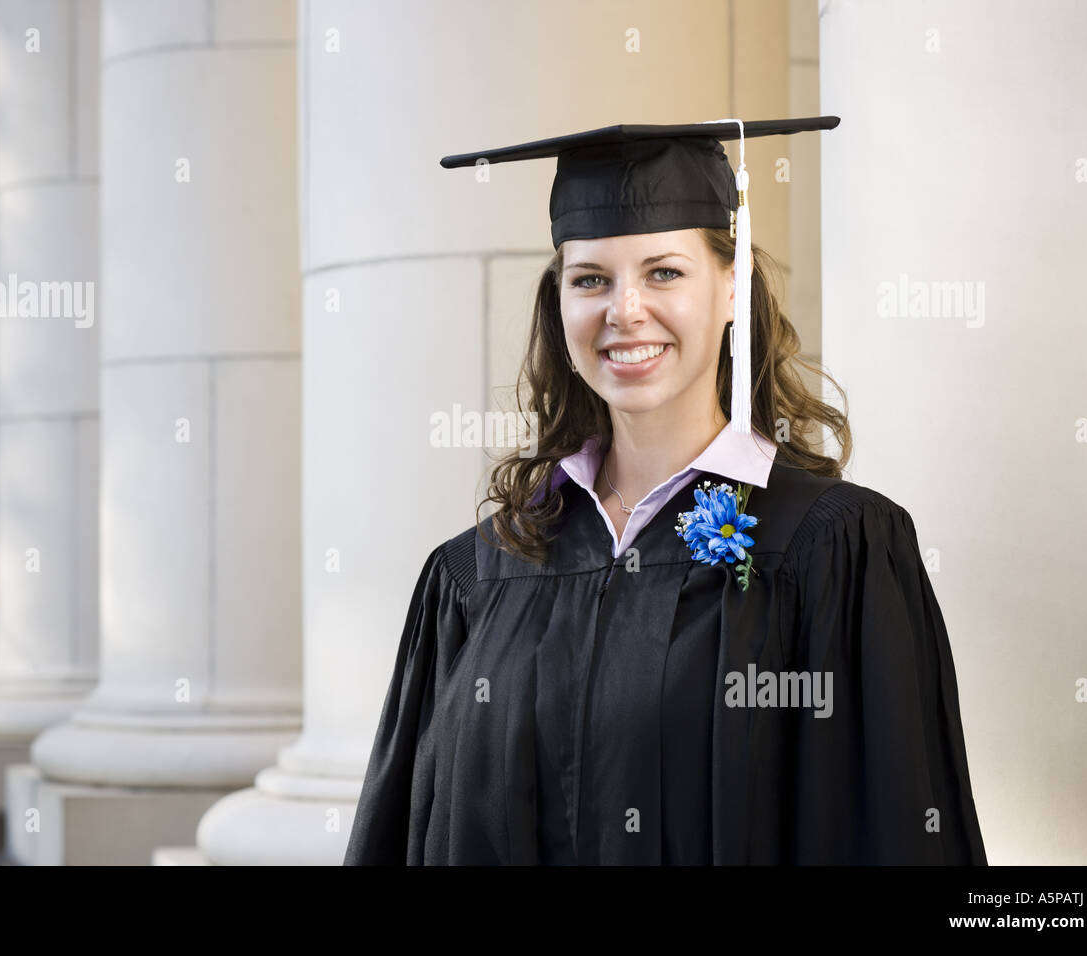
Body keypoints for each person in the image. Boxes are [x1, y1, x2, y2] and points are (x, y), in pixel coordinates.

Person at [343, 117, 987, 865]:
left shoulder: (834, 549)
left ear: (732, 288)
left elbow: (893, 831)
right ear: (560, 304)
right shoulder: (476, 574)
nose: (624, 311)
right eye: (590, 279)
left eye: (664, 273)